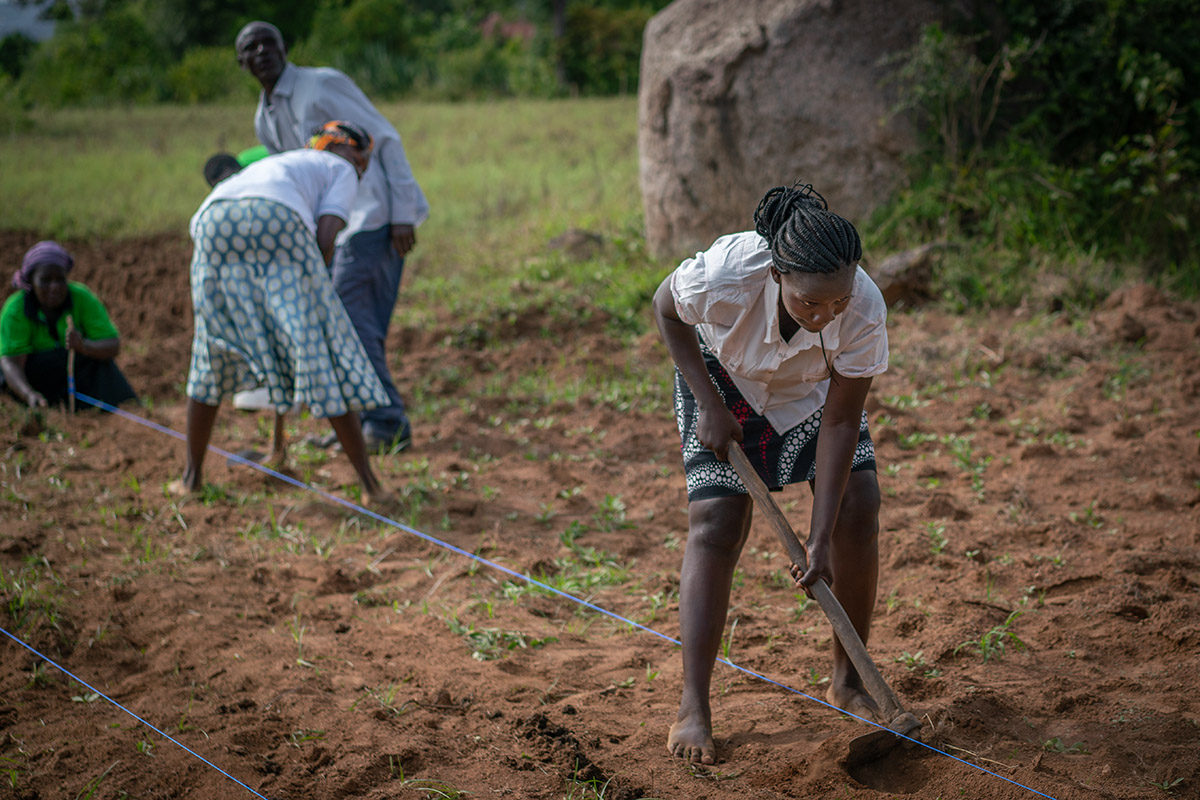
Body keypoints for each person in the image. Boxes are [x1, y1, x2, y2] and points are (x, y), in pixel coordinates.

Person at [651, 182, 889, 765]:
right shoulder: (728, 272)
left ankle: (848, 682)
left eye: (836, 303)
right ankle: (694, 706)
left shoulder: (862, 306)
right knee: (716, 521)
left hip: (810, 397)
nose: (824, 314)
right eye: (810, 302)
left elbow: (839, 423)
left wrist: (820, 535)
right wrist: (708, 405)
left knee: (858, 506)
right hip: (721, 377)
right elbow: (666, 308)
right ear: (778, 273)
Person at [235, 20, 429, 453]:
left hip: (371, 217)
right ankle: (358, 424)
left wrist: (403, 212)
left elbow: (385, 137)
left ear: (285, 47)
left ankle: (386, 423)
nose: (263, 51)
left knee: (347, 320)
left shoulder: (319, 86)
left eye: (270, 41)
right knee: (352, 324)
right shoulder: (263, 118)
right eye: (252, 47)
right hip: (330, 230)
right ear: (241, 62)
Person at [176, 121, 393, 505]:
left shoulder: (283, 164)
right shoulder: (340, 168)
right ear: (353, 152)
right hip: (276, 220)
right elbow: (325, 238)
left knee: (211, 350)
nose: (364, 167)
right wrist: (313, 299)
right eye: (365, 159)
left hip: (210, 221)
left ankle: (190, 480)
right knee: (320, 353)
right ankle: (371, 487)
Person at [1, 241, 137, 411]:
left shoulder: (82, 298)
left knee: (102, 365)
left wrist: (84, 346)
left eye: (60, 279)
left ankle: (123, 410)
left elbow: (112, 344)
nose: (54, 287)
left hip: (77, 374)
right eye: (45, 280)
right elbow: (11, 362)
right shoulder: (15, 309)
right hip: (34, 377)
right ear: (31, 281)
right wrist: (29, 394)